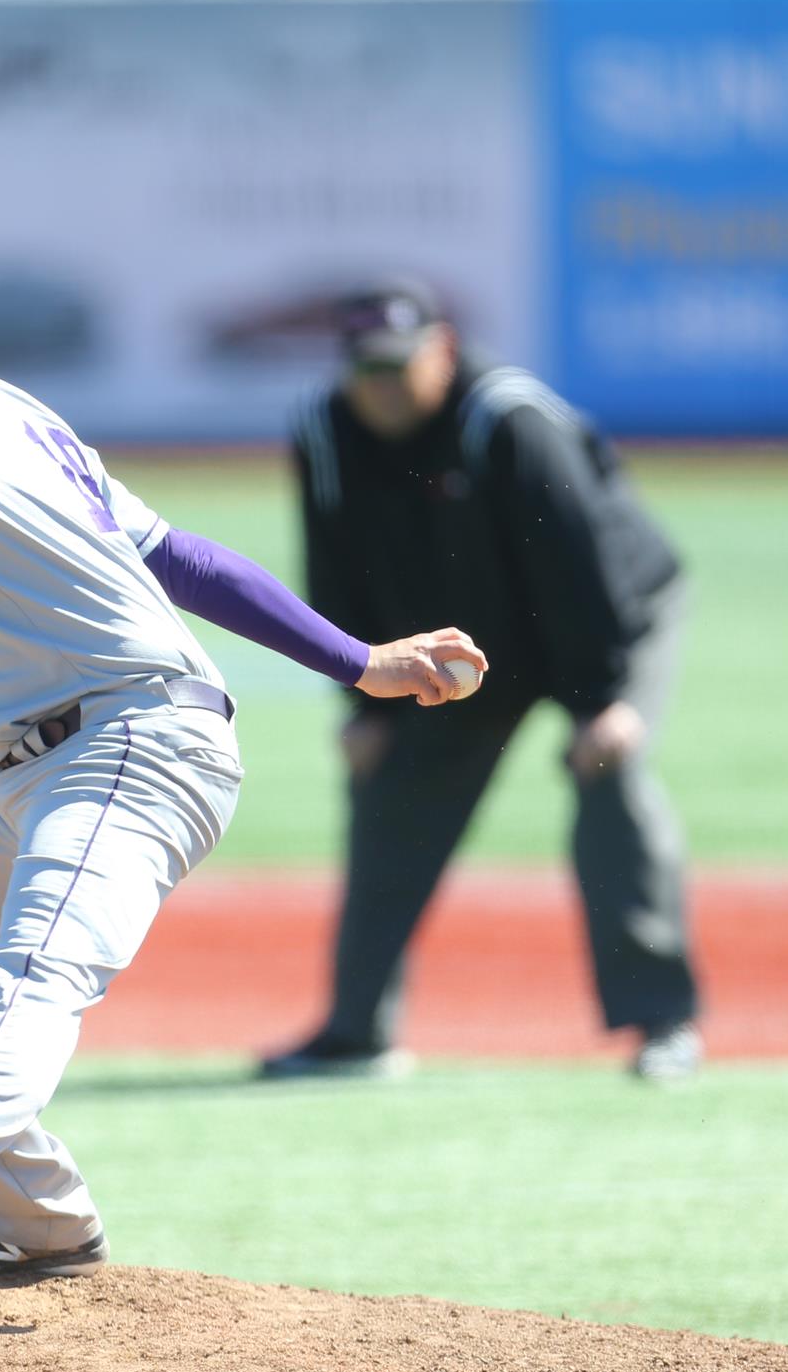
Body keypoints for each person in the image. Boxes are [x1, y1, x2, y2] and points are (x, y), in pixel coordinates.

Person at [0, 185, 488, 1312]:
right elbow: (183, 558)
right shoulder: (6, 410)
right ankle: (39, 1226)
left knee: (33, 978)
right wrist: (359, 661)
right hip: (52, 759)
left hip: (133, 737)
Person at [259, 278, 703, 1085]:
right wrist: (364, 702)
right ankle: (358, 1030)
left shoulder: (509, 420)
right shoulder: (326, 431)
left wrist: (603, 702)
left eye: (401, 366)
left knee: (609, 769)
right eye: (368, 370)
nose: (384, 388)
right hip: (468, 644)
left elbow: (584, 562)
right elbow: (336, 573)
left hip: (609, 615)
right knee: (389, 782)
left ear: (445, 352)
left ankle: (663, 1022)